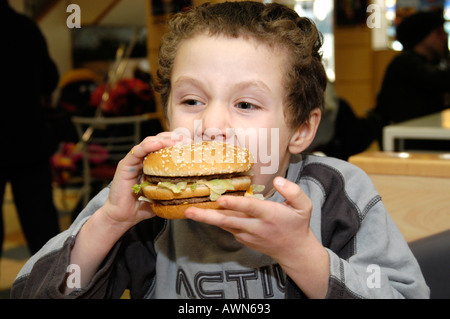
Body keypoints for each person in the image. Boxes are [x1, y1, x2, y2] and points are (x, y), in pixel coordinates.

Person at [11, 2, 429, 299]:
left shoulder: (338, 193)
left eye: (245, 104)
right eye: (192, 101)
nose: (211, 126)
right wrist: (107, 224)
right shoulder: (139, 204)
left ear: (301, 130)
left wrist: (301, 253)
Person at [0, 0, 60, 257]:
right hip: (28, 139)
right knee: (41, 225)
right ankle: (52, 288)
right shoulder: (25, 27)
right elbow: (50, 77)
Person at [371, 11, 450, 149]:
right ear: (423, 36)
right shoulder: (406, 64)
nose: (444, 37)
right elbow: (440, 81)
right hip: (411, 145)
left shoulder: (428, 63)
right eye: (438, 32)